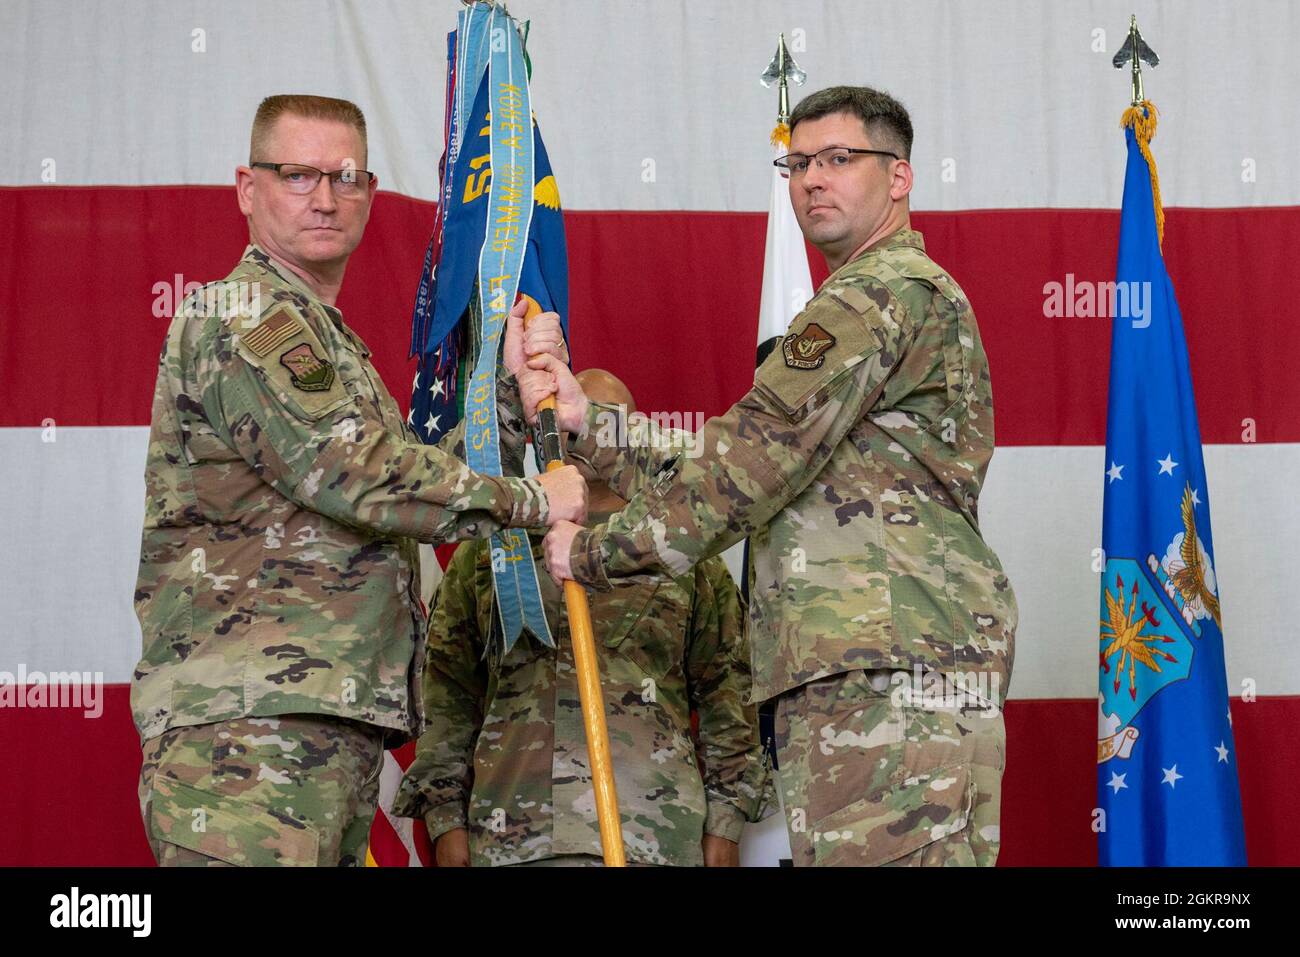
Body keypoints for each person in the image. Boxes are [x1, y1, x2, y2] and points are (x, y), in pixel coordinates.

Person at [526, 86, 1017, 867]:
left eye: (838, 159)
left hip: (885, 678)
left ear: (900, 178)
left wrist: (589, 553)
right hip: (881, 670)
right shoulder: (880, 297)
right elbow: (750, 462)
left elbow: (745, 465)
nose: (811, 179)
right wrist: (592, 426)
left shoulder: (876, 293)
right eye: (797, 164)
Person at [132, 93, 583, 866]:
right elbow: (352, 469)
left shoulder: (328, 340)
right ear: (248, 188)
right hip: (250, 734)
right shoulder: (247, 315)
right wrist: (535, 502)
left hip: (317, 719)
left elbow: (402, 466)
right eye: (297, 174)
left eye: (345, 176)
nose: (324, 196)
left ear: (370, 194)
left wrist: (511, 390)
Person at [393, 370, 773, 867]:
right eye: (563, 421)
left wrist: (724, 828)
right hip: (513, 835)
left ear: (634, 434)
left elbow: (730, 701)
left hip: (653, 835)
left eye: (603, 421)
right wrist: (445, 821)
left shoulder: (684, 556)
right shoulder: (491, 553)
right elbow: (445, 694)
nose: (577, 433)